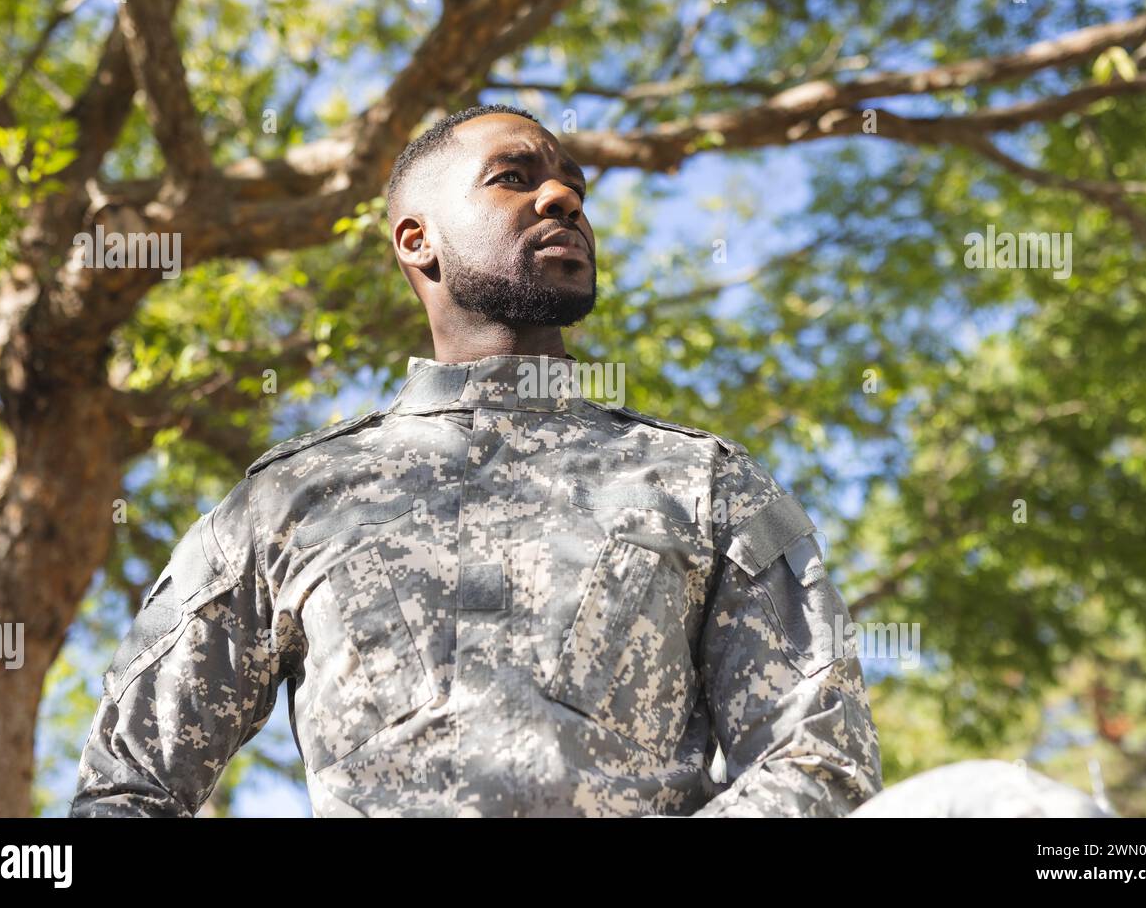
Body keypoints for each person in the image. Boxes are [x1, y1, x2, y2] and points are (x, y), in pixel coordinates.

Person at [70, 104, 883, 817]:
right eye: (511, 177)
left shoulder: (706, 485)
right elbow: (124, 790)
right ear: (416, 241)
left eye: (573, 187)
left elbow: (819, 763)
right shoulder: (288, 499)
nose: (563, 197)